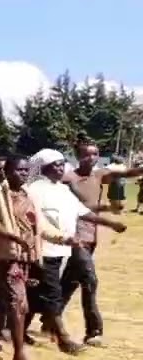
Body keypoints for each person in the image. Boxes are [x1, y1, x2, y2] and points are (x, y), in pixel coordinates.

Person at [24, 148, 125, 354]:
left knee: (36, 295)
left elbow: (84, 212)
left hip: (63, 250)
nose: (61, 168)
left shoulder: (61, 190)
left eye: (62, 164)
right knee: (52, 294)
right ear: (44, 168)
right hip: (42, 249)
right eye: (56, 165)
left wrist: (110, 223)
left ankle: (12, 330)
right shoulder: (33, 190)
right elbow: (34, 223)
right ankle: (63, 339)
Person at [62, 140, 139, 346]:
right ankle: (94, 331)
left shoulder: (98, 175)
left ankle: (50, 317)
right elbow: (77, 207)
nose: (92, 158)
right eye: (87, 154)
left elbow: (126, 174)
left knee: (70, 281)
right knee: (89, 279)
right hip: (75, 237)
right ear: (78, 156)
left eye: (95, 154)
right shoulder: (67, 179)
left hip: (92, 236)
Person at [0, 157, 54, 360]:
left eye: (26, 170)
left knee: (1, 306)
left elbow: (39, 226)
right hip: (6, 257)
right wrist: (13, 237)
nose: (23, 174)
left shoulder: (29, 194)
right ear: (7, 172)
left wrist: (66, 239)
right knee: (18, 303)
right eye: (19, 170)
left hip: (27, 258)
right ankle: (19, 353)